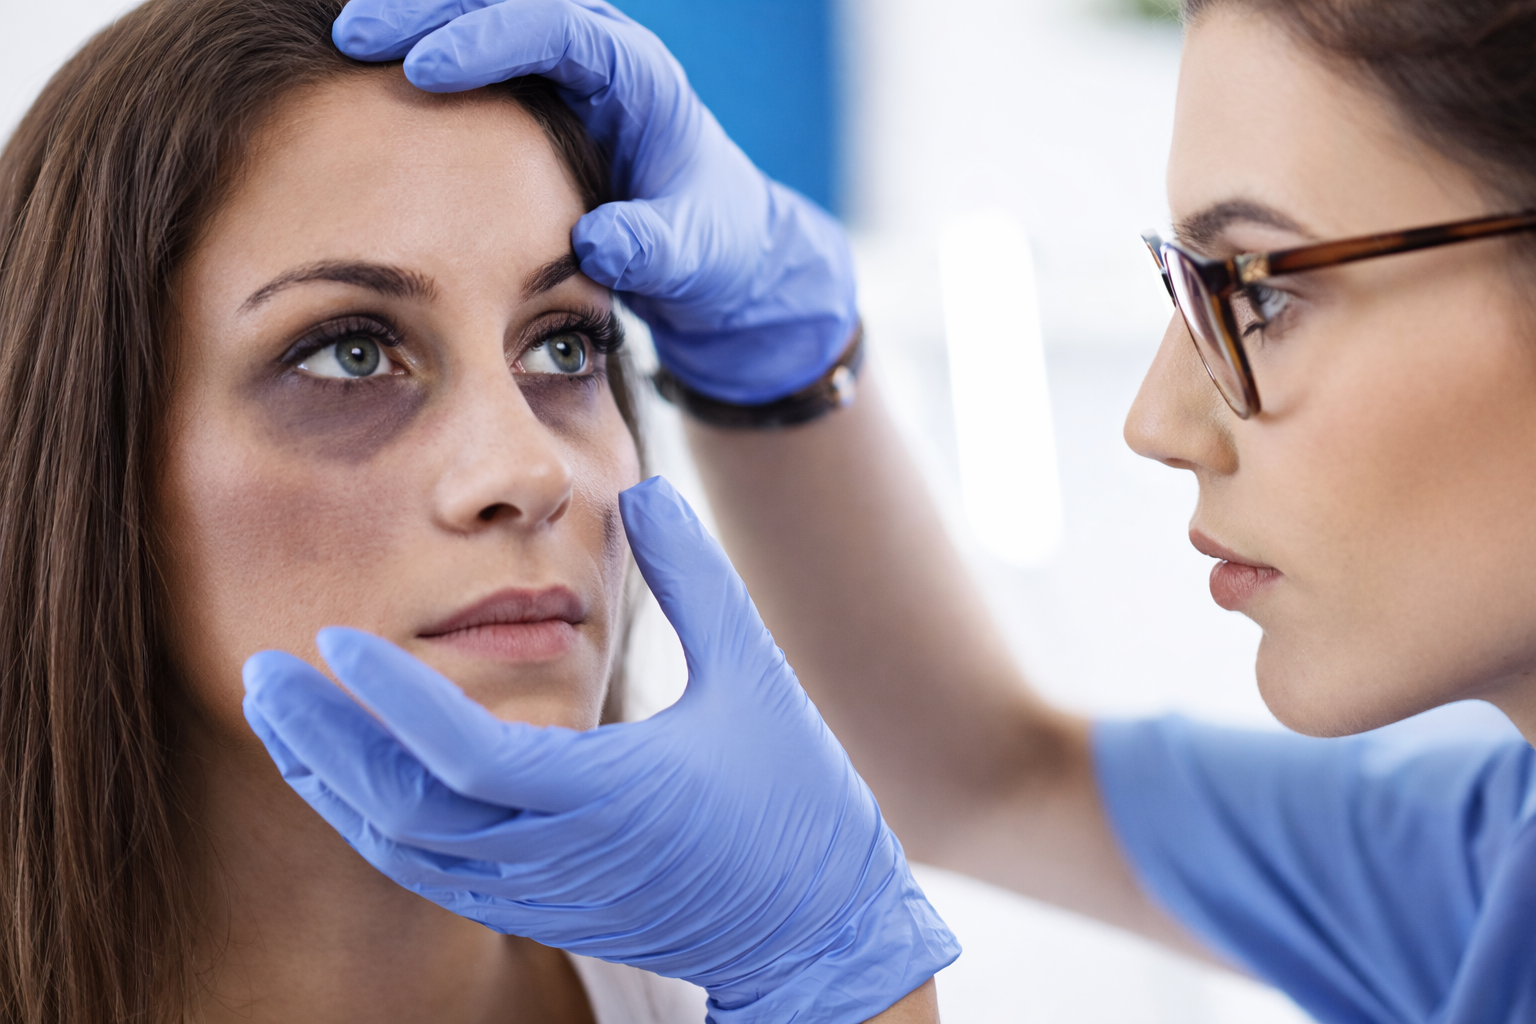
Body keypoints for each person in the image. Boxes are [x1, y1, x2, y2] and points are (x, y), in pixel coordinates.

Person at [262, 1, 1536, 1022]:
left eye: (1256, 290)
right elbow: (979, 777)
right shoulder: (1488, 865)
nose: (1156, 422)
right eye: (351, 350)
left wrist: (840, 967)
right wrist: (779, 367)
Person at [0, 0, 956, 1021]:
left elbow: (992, 777)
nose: (532, 469)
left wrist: (835, 969)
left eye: (563, 345)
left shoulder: (732, 980)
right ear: (90, 463)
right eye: (350, 353)